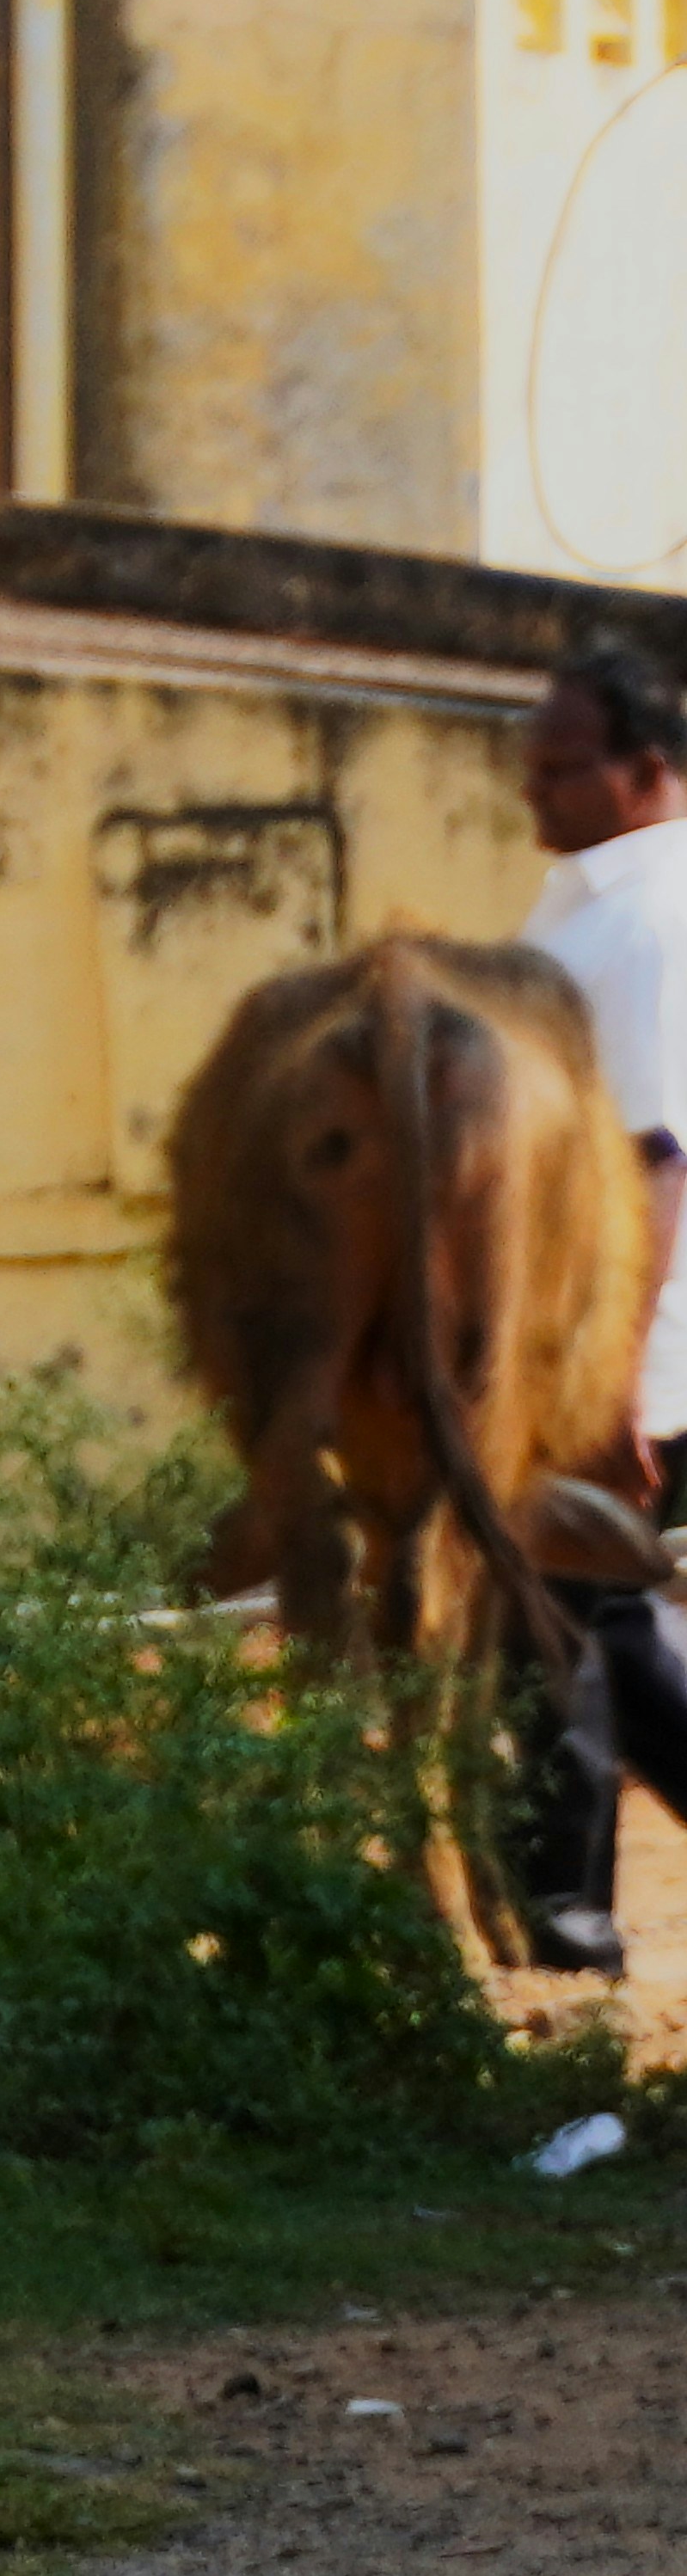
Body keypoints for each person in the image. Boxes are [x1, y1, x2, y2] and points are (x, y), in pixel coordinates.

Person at [507, 634, 687, 1972]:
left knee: (570, 1620)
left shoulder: (651, 917)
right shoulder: (584, 898)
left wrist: (616, 1379)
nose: (536, 793)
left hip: (637, 1344)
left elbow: (659, 1159)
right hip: (587, 1336)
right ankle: (560, 1919)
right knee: (600, 1618)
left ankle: (566, 1924)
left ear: (645, 771)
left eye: (564, 771)